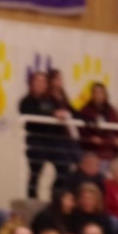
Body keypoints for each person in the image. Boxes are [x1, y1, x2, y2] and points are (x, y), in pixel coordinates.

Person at [20, 70, 79, 199]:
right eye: (38, 81)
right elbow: (31, 115)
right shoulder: (26, 101)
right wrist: (53, 115)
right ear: (31, 83)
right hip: (36, 142)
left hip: (52, 142)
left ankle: (56, 195)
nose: (41, 84)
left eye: (44, 81)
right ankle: (32, 198)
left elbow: (69, 112)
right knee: (36, 172)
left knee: (65, 168)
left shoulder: (51, 101)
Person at [79, 82, 118, 164]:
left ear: (105, 94)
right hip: (93, 149)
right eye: (95, 92)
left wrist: (117, 139)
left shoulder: (111, 110)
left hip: (109, 146)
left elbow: (117, 128)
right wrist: (90, 138)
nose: (98, 95)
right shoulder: (86, 110)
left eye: (100, 92)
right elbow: (82, 130)